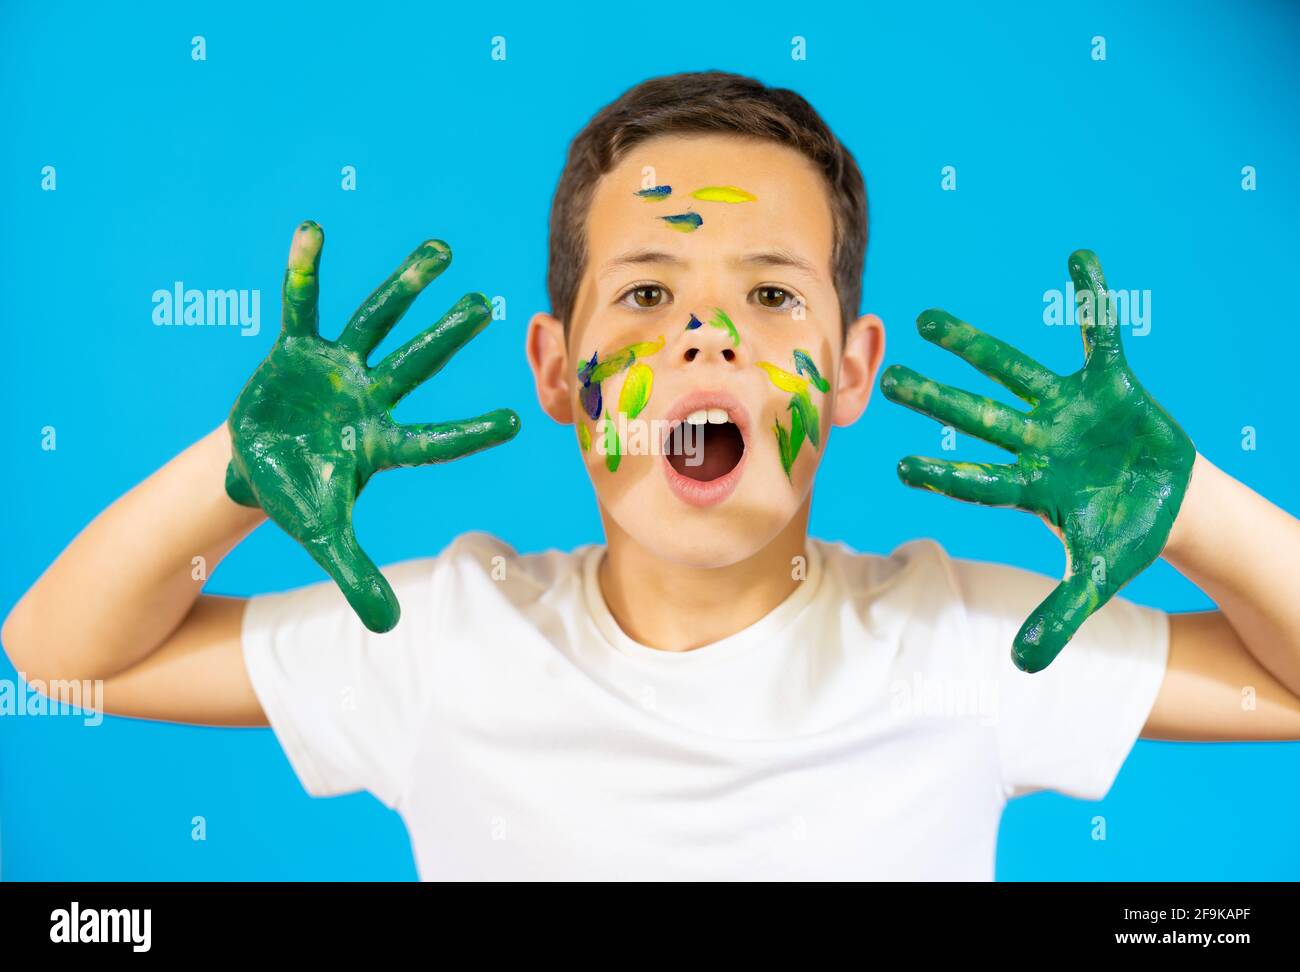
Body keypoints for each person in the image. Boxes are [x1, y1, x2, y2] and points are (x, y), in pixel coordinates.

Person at [5, 72, 1300, 880]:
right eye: (646, 290)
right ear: (559, 371)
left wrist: (1190, 508)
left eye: (772, 294)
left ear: (851, 373)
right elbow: (66, 658)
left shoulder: (958, 641)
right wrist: (241, 471)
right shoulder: (446, 639)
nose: (708, 336)